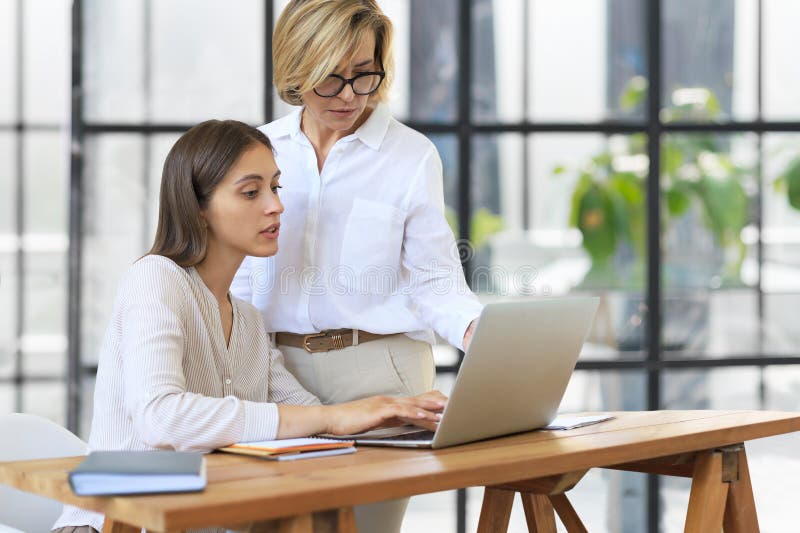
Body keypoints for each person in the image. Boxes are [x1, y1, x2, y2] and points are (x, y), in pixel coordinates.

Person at [51, 120, 445, 533]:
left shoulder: (250, 321)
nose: (276, 206)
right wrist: (331, 418)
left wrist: (400, 414)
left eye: (275, 187)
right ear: (198, 207)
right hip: (112, 524)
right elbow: (161, 418)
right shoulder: (156, 278)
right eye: (251, 192)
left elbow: (312, 421)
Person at [231, 1, 483, 531]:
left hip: (381, 372)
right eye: (331, 77)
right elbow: (237, 275)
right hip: (272, 370)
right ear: (297, 68)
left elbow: (435, 279)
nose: (349, 95)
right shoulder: (259, 150)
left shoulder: (411, 155)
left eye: (364, 74)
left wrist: (478, 332)